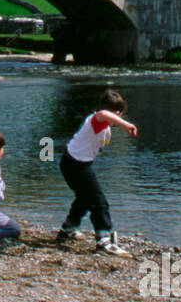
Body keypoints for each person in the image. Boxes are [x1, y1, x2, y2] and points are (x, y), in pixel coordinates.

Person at [58, 88, 137, 255]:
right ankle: (104, 240)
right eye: (119, 115)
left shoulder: (105, 127)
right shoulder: (96, 120)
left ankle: (68, 228)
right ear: (116, 113)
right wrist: (125, 125)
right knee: (99, 201)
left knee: (85, 198)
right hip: (74, 164)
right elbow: (103, 114)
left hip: (75, 163)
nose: (119, 118)